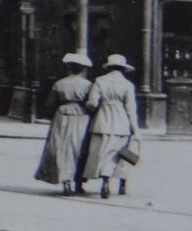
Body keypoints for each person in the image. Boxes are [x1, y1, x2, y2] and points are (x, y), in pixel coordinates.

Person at [80, 53, 139, 199]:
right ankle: (122, 182)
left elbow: (92, 103)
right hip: (121, 123)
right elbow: (131, 109)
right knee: (120, 155)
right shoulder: (128, 85)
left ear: (109, 67)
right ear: (123, 69)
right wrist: (135, 128)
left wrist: (90, 108)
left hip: (102, 122)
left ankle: (104, 180)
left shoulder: (100, 81)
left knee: (101, 153)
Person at [34, 52, 93, 194]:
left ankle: (65, 181)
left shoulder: (59, 83)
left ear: (70, 68)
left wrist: (50, 116)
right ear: (83, 69)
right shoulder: (88, 85)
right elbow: (92, 103)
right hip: (82, 117)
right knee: (80, 148)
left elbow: (50, 104)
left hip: (62, 116)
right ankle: (78, 182)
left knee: (61, 148)